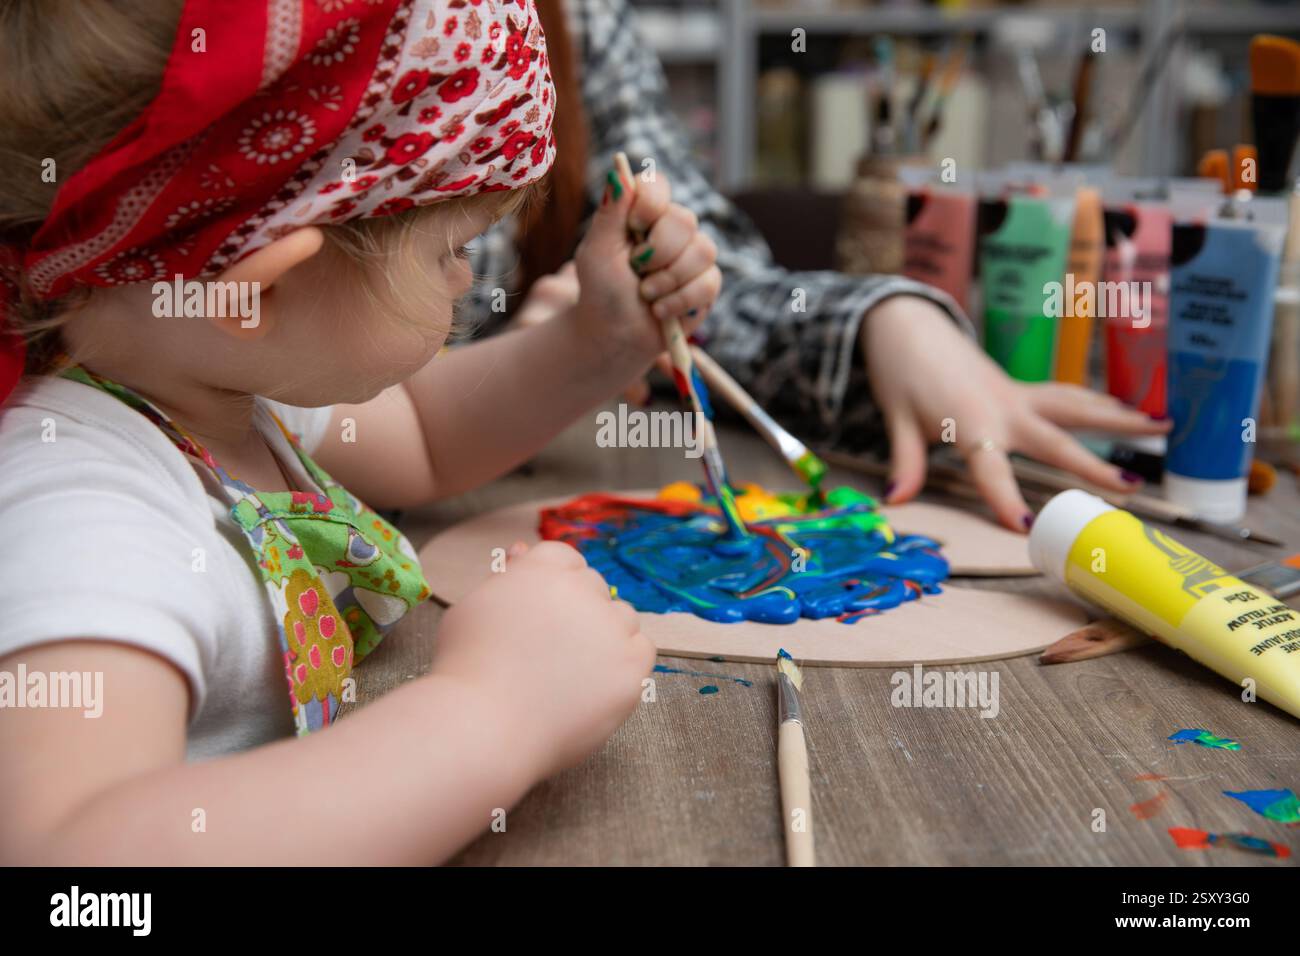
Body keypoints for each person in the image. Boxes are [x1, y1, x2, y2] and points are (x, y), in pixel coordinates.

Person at [0, 0, 716, 864]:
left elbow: (421, 433)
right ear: (257, 293)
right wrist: (491, 715)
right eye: (452, 249)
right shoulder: (83, 517)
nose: (464, 281)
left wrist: (595, 341)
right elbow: (71, 862)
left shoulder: (205, 382)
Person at [462, 0, 1170, 532]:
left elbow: (703, 274)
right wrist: (532, 360)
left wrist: (883, 320)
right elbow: (375, 416)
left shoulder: (577, 18)